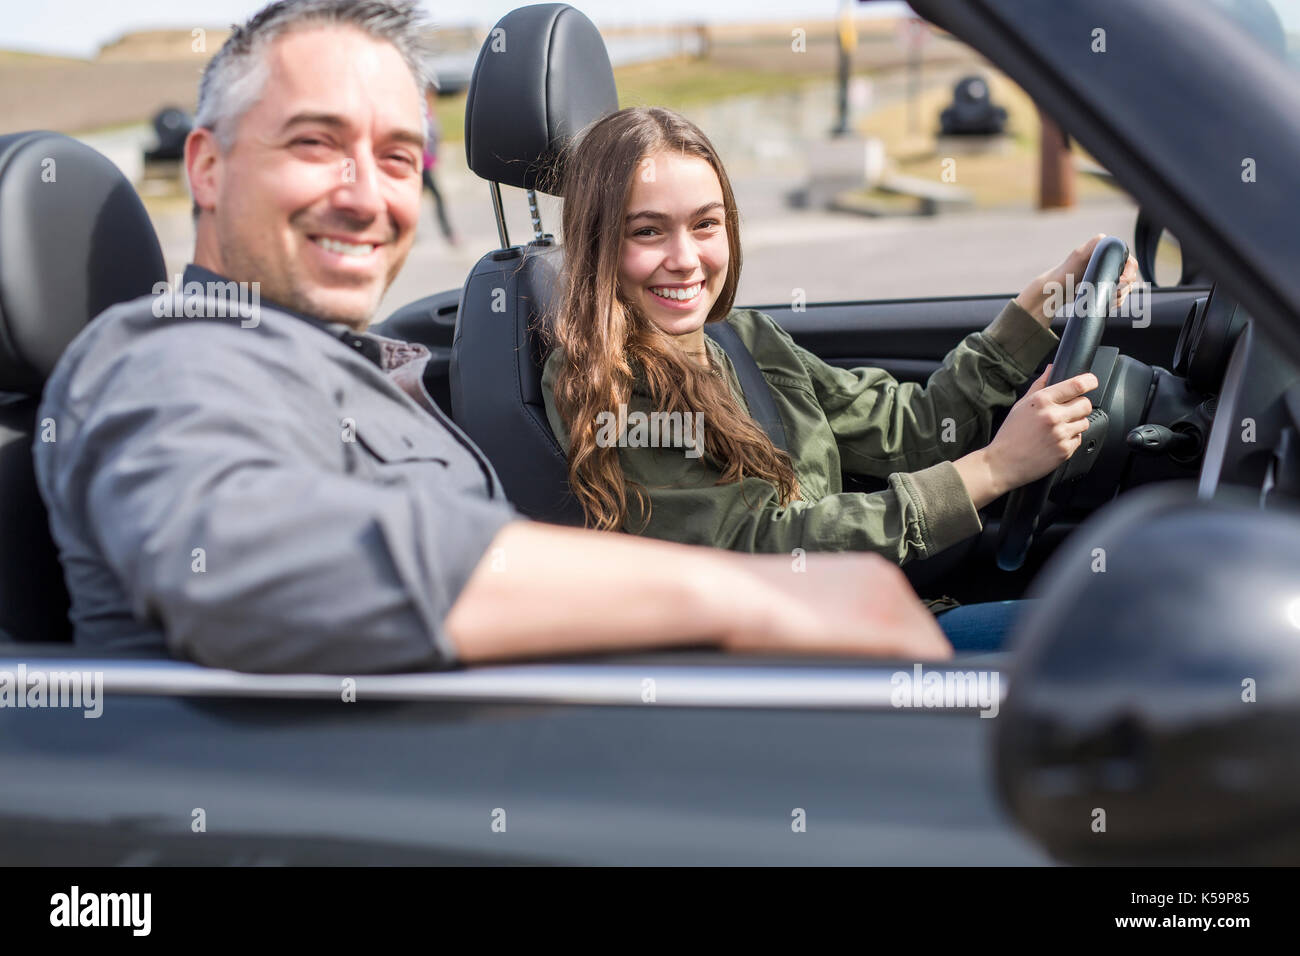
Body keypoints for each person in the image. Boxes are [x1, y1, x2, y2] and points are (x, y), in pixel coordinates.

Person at [32, 0, 951, 673]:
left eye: (398, 157)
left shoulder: (362, 370)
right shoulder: (169, 354)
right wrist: (749, 591)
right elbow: (246, 568)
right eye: (315, 143)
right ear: (206, 165)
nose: (366, 194)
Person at [541, 107, 1140, 650]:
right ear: (598, 244)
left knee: (1126, 618)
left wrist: (1041, 305)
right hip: (803, 663)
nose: (686, 258)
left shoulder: (743, 339)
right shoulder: (606, 386)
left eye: (705, 224)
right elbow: (757, 549)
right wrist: (995, 470)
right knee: (1127, 639)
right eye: (648, 231)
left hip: (863, 619)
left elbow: (912, 429)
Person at [420, 81, 457, 246]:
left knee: (417, 199)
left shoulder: (429, 112)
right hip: (422, 166)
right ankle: (448, 234)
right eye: (430, 94)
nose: (432, 97)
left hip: (427, 164)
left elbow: (436, 138)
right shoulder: (422, 114)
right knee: (437, 198)